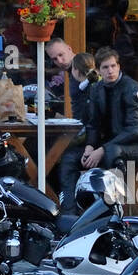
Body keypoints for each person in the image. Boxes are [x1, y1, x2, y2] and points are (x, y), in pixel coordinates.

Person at [79, 47, 138, 172]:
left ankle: (110, 190)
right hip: (107, 144)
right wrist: (89, 146)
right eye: (105, 67)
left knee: (112, 154)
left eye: (113, 66)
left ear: (119, 67)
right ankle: (68, 192)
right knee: (70, 157)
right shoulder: (96, 89)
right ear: (98, 71)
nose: (110, 71)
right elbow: (93, 124)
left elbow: (135, 130)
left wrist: (103, 149)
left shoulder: (131, 89)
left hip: (136, 146)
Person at [56, 52, 100, 213]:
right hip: (99, 140)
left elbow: (93, 125)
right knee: (59, 153)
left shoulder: (91, 91)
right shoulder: (93, 86)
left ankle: (69, 211)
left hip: (98, 143)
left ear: (75, 71)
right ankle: (67, 204)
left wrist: (89, 146)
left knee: (64, 157)